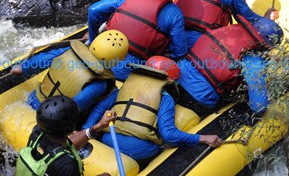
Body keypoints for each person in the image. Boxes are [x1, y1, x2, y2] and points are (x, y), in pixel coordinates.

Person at [15, 95, 136, 176]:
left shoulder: (37, 133)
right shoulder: (67, 165)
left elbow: (64, 147)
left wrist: (97, 127)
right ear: (71, 127)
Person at [82, 56, 222, 166]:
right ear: (171, 80)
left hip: (107, 139)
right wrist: (202, 138)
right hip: (138, 150)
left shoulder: (127, 84)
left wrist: (84, 131)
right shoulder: (166, 96)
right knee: (164, 148)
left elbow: (100, 108)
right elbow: (168, 135)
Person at [87, 0, 187, 80]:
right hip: (130, 72)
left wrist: (93, 39)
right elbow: (179, 53)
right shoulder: (174, 13)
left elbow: (93, 10)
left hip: (99, 58)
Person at [176, 16, 283, 116]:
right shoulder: (253, 57)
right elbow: (259, 107)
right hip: (196, 98)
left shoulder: (226, 30)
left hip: (175, 79)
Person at [9, 30, 129, 116]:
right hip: (50, 118)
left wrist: (24, 68)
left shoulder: (69, 51)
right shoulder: (100, 83)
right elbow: (76, 105)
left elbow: (44, 59)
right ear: (118, 59)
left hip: (33, 100)